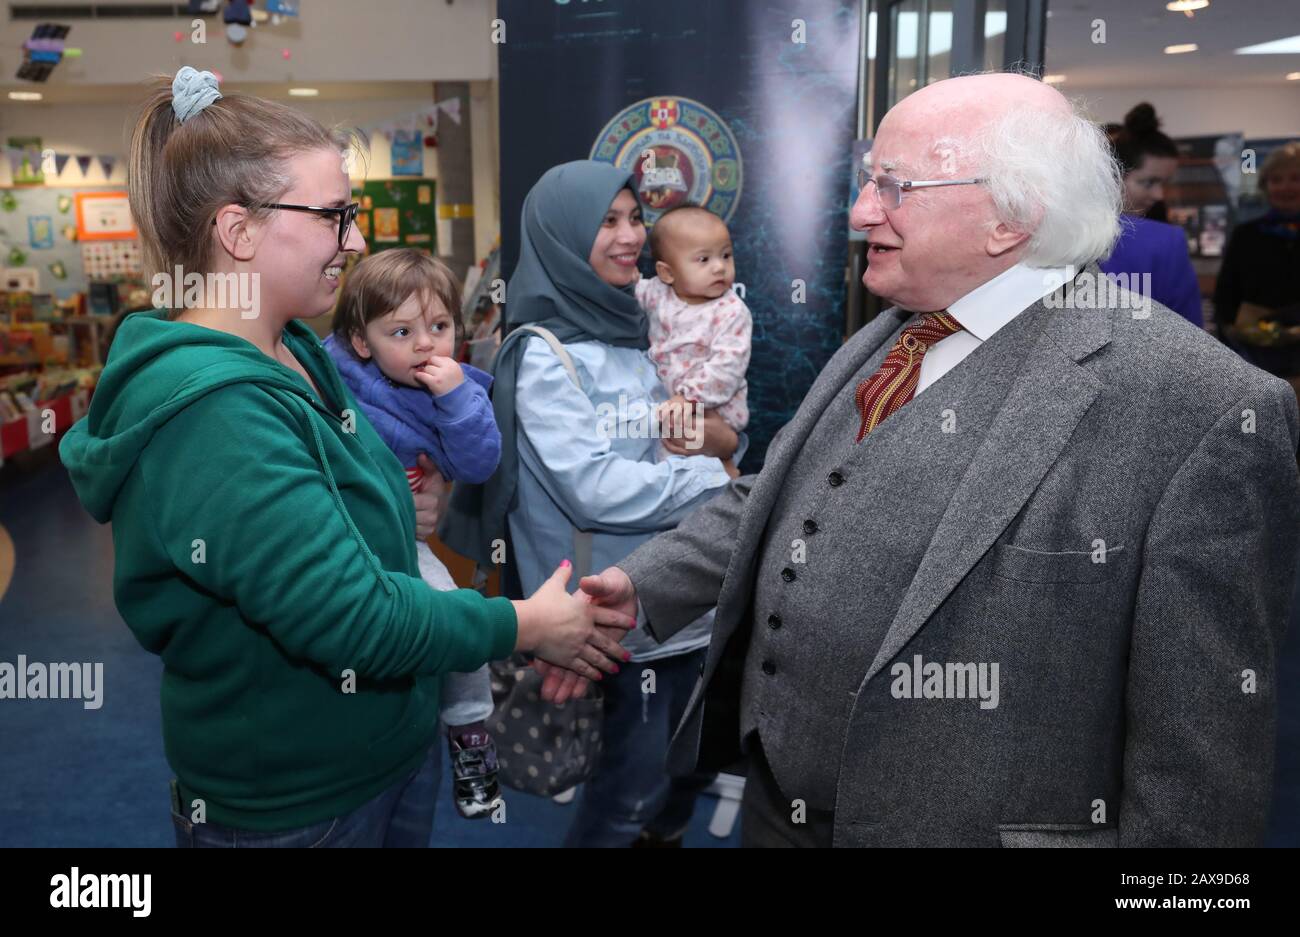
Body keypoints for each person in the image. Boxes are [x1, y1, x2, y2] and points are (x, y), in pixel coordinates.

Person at [559, 73, 1300, 847]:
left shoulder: (1200, 408)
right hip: (779, 810)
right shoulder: (888, 335)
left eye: (894, 186)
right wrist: (641, 586)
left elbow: (1201, 768)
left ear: (1012, 218)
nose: (859, 212)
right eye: (867, 180)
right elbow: (779, 495)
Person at [58, 68, 632, 848]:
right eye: (335, 216)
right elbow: (353, 619)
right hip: (301, 801)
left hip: (384, 751)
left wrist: (401, 509)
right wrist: (525, 623)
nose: (357, 241)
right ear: (239, 231)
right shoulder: (216, 412)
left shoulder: (294, 345)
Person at [440, 160, 744, 847]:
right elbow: (595, 487)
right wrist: (713, 479)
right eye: (605, 221)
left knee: (684, 764)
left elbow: (682, 431)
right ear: (560, 235)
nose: (630, 235)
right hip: (613, 609)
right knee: (629, 788)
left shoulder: (628, 333)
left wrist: (713, 444)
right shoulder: (546, 355)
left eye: (635, 217)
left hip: (677, 592)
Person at [323, 248, 503, 820]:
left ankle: (470, 732)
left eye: (440, 326)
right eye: (401, 331)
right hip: (343, 537)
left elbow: (478, 464)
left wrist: (454, 400)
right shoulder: (330, 373)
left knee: (452, 611)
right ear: (360, 340)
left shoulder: (457, 390)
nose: (426, 344)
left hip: (409, 542)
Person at [636, 204, 752, 438]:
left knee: (693, 459)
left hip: (713, 409)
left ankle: (724, 462)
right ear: (667, 273)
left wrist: (689, 397)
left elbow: (727, 367)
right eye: (703, 259)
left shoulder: (731, 311)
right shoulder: (657, 293)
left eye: (726, 255)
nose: (719, 267)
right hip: (668, 404)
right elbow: (629, 290)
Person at [1100, 103, 1203, 327]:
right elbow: (1189, 328)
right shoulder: (1164, 241)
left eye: (1164, 184)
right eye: (1148, 182)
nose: (1158, 194)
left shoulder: (1057, 233)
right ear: (1113, 175)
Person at [1214, 141, 1300, 394]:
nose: (1285, 187)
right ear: (1265, 187)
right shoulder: (1246, 235)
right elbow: (1226, 294)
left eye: (1295, 178)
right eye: (1276, 180)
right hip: (1257, 357)